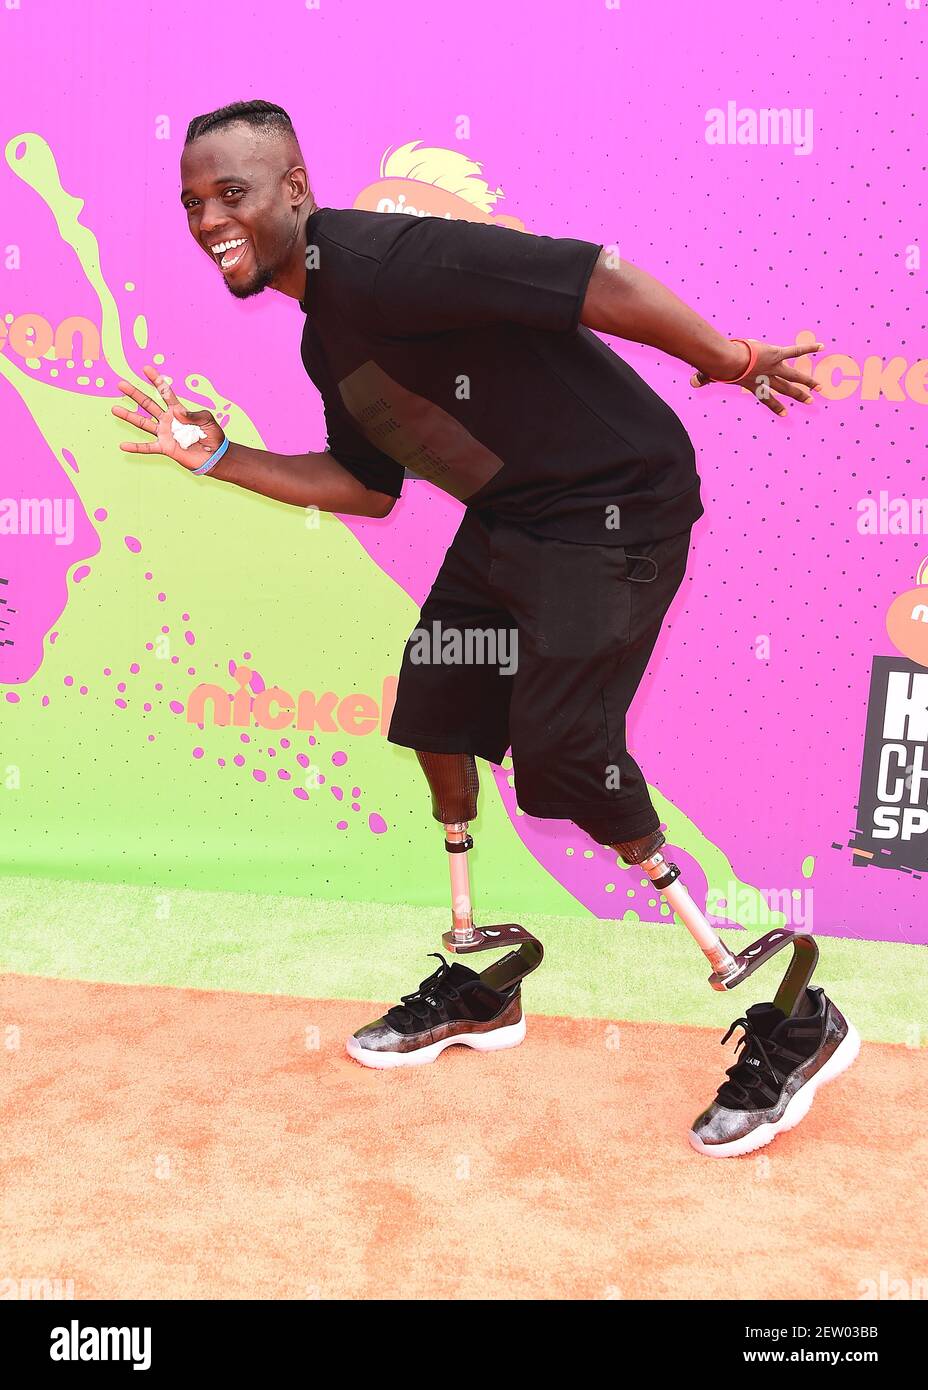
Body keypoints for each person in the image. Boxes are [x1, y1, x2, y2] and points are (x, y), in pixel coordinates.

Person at [112, 100, 859, 1157]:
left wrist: (730, 355)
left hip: (615, 508)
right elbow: (368, 488)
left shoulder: (382, 255)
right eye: (191, 201)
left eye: (230, 192)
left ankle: (794, 1018)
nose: (207, 218)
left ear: (293, 189)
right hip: (515, 516)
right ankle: (480, 978)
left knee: (564, 760)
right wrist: (220, 457)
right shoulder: (328, 334)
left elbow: (593, 278)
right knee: (439, 708)